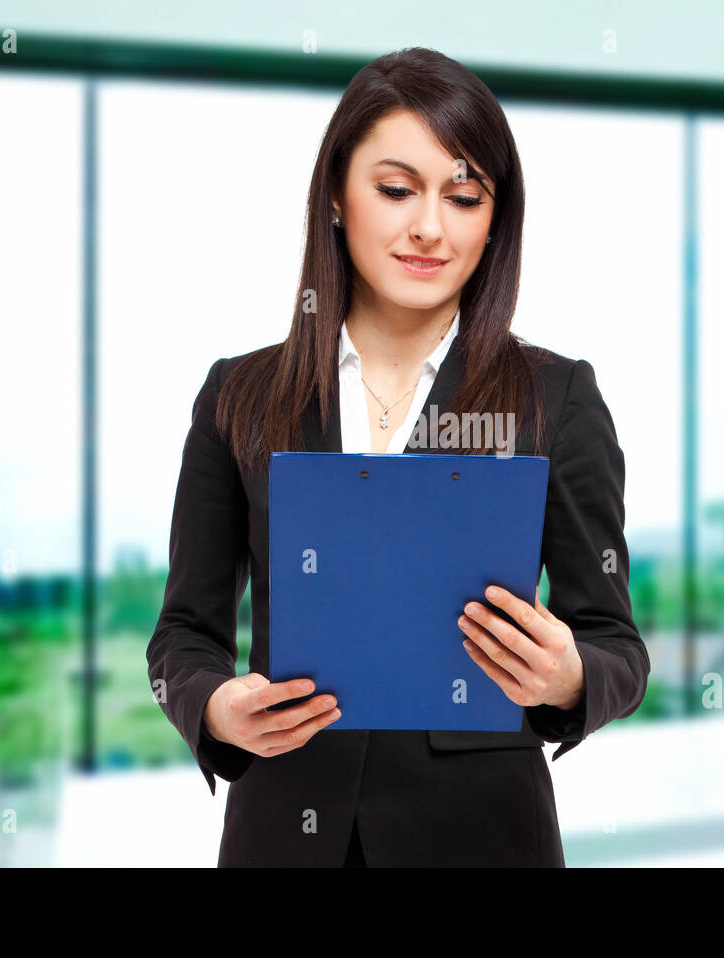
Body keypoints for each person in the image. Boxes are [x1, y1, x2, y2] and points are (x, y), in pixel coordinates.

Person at [147, 47, 649, 867]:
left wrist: (568, 678)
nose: (430, 227)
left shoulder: (556, 398)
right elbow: (182, 635)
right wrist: (212, 708)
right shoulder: (238, 397)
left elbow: (617, 645)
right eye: (395, 189)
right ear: (338, 199)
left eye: (464, 197)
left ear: (494, 221)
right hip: (285, 830)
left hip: (483, 836)